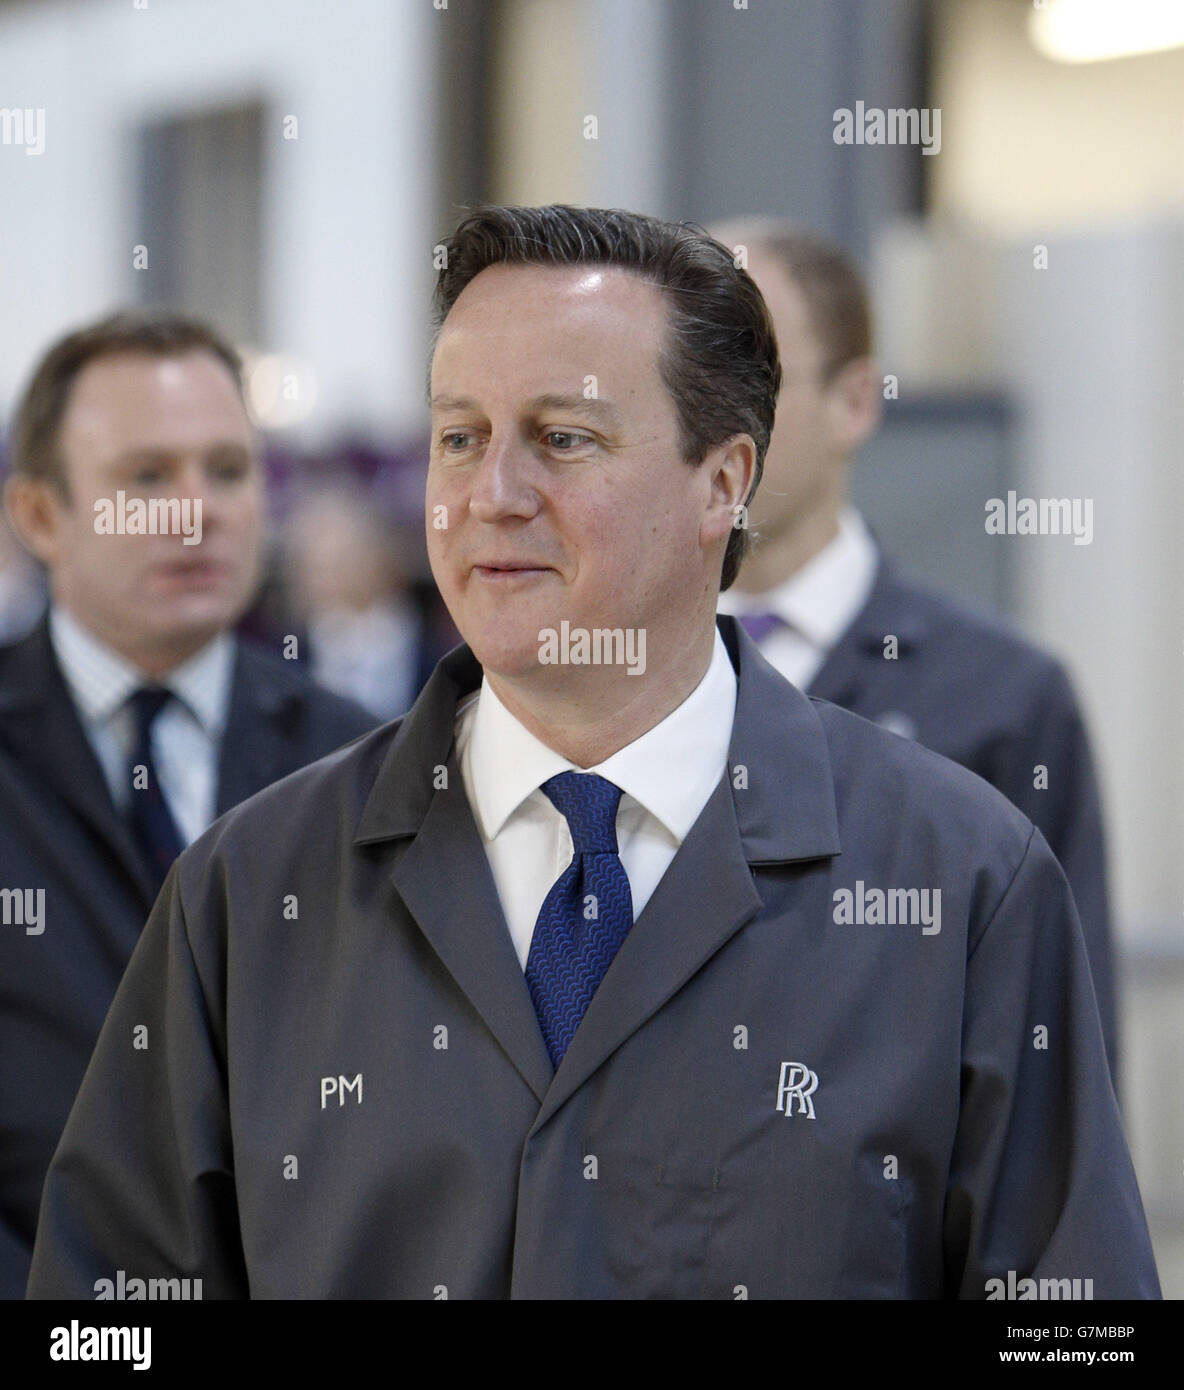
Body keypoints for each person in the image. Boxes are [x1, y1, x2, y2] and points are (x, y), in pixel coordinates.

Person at [27, 208, 1158, 1299]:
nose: (491, 495)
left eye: (562, 439)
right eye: (459, 437)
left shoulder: (956, 882)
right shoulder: (249, 891)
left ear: (723, 482)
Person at [0, 312, 377, 1299]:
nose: (197, 511)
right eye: (147, 478)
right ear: (41, 516)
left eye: (226, 470)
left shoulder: (361, 757)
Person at [712, 219, 1120, 1084]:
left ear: (854, 401)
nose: (712, 423)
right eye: (687, 381)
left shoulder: (1002, 699)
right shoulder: (600, 680)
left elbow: (1061, 1068)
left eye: (752, 377)